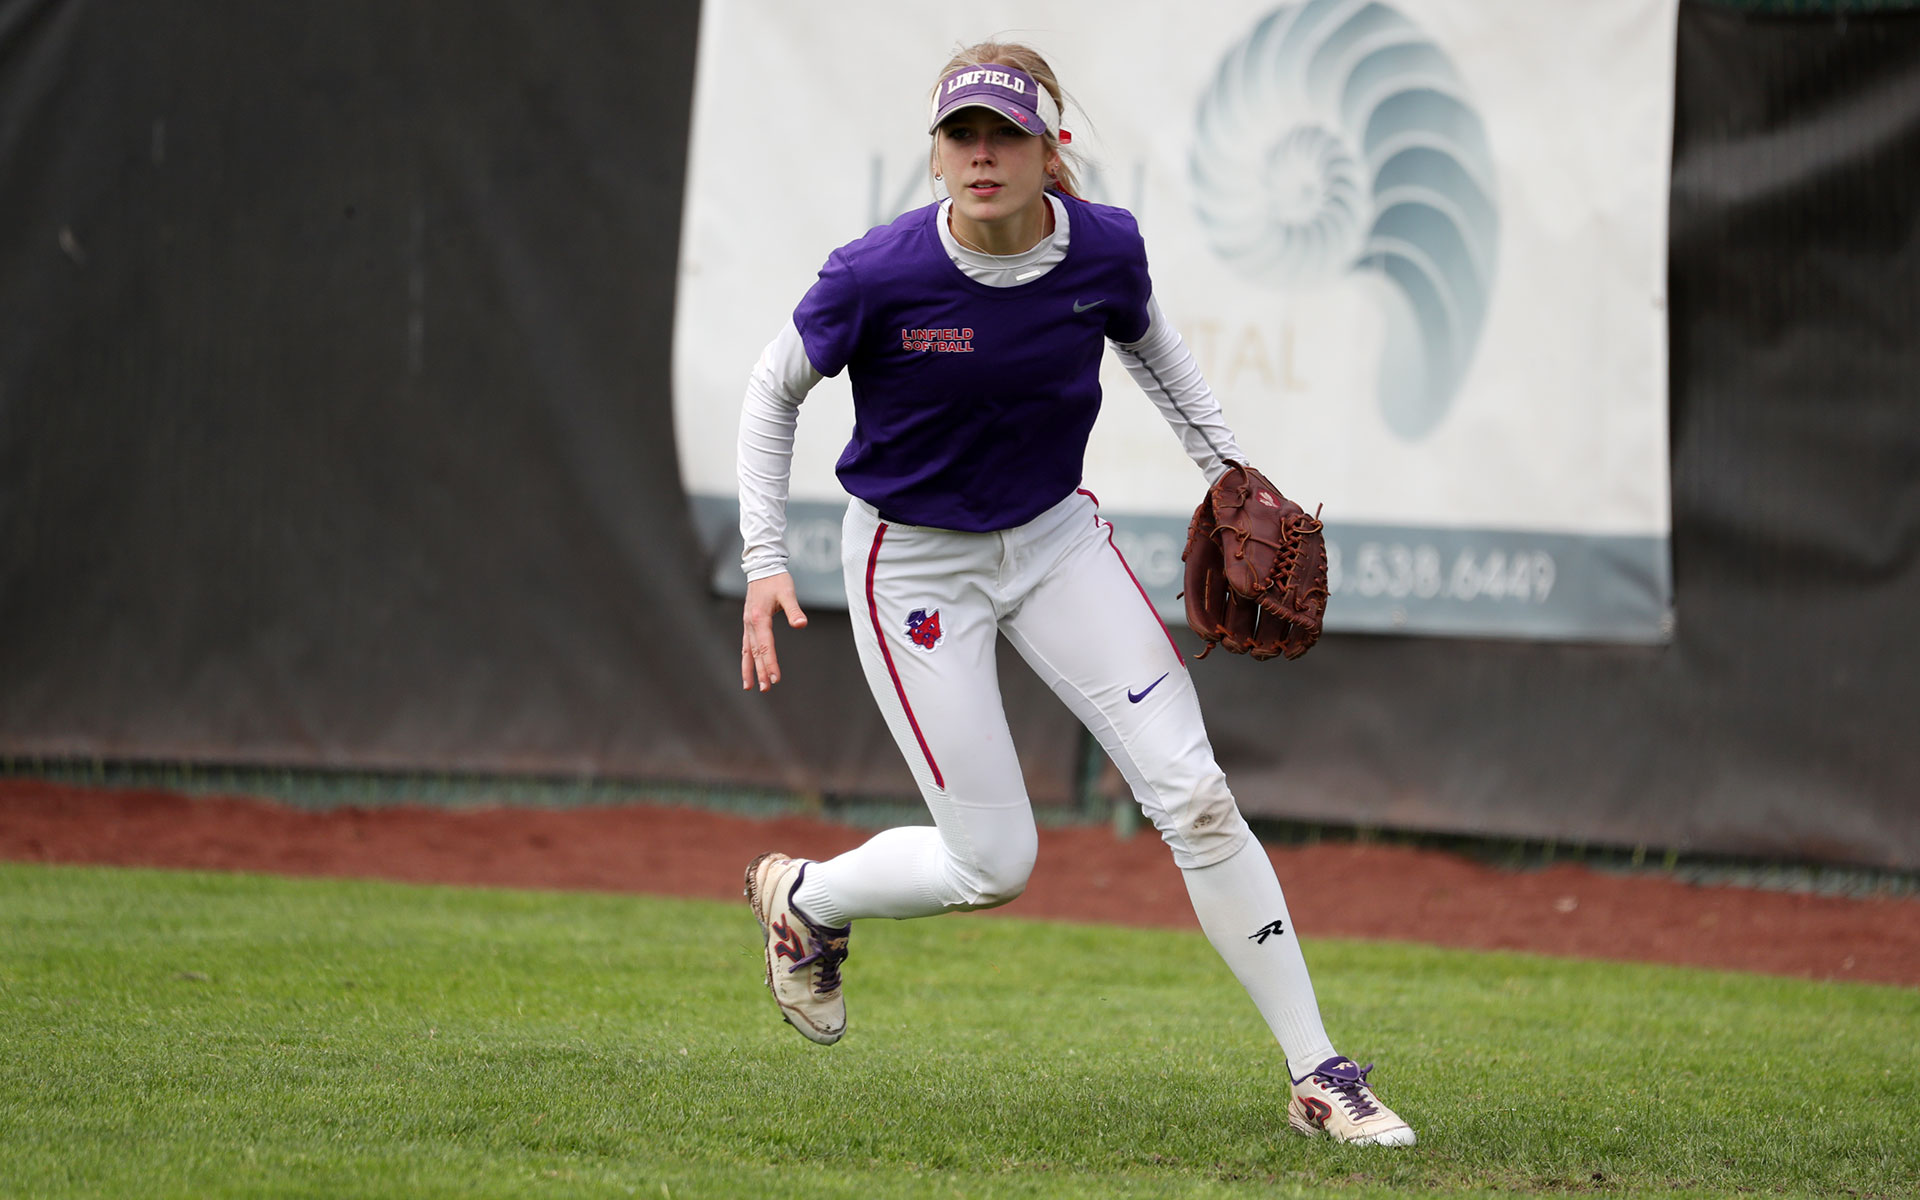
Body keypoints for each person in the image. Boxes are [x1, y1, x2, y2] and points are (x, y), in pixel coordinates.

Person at [734, 41, 1415, 1148]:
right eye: (962, 135)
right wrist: (768, 558)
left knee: (1195, 797)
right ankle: (807, 900)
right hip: (914, 564)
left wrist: (1230, 473)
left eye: (1007, 133)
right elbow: (773, 393)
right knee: (992, 865)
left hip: (1053, 540)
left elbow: (1157, 353)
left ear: (1053, 151)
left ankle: (1318, 1075)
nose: (983, 155)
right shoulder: (879, 272)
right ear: (939, 152)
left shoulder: (1102, 247)